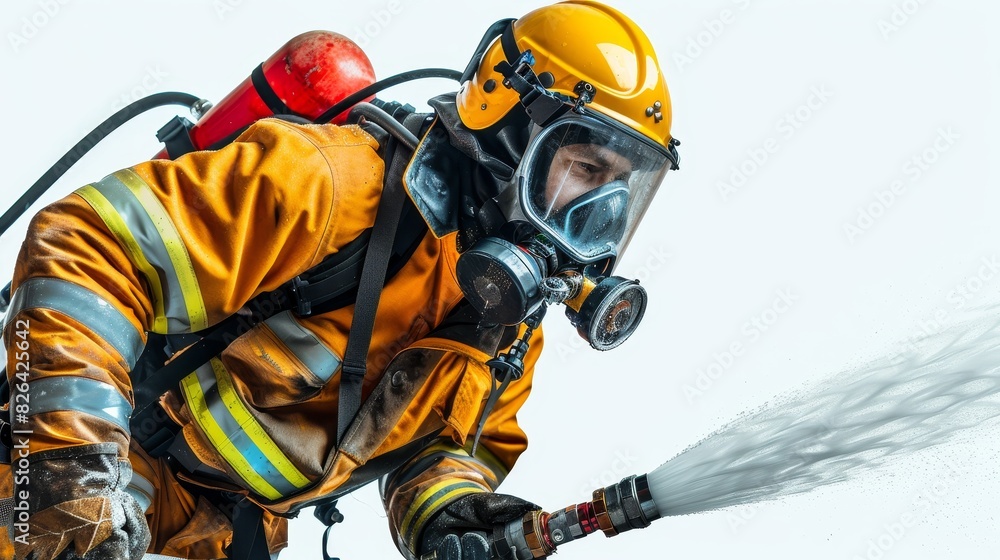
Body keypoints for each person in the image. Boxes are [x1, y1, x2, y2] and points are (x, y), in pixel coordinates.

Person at [0, 1, 680, 558]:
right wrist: (63, 474)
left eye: (622, 190)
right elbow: (86, 243)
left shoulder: (507, 325)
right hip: (69, 467)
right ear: (508, 123)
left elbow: (441, 447)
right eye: (587, 170)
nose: (599, 211)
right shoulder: (331, 183)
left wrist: (455, 513)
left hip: (209, 535)